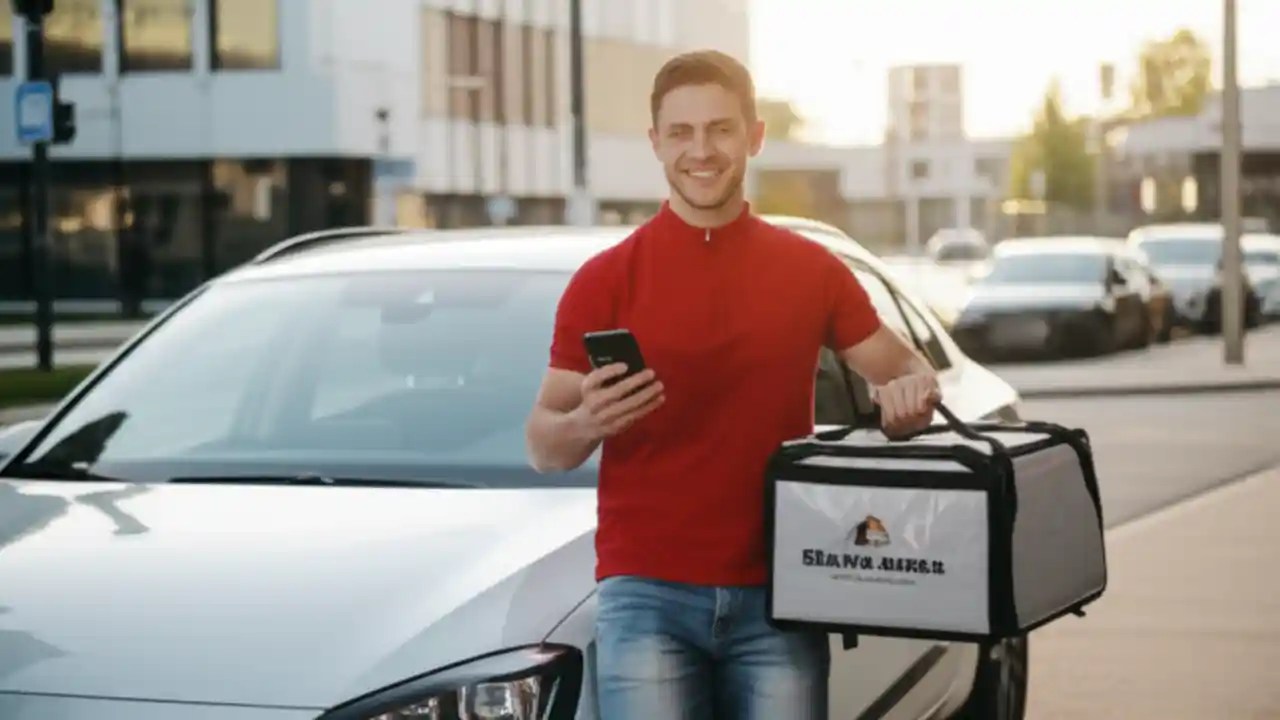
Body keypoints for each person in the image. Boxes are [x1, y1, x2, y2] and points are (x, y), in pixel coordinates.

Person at [524, 49, 940, 720]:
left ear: (754, 136)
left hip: (783, 588)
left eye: (720, 128)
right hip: (646, 594)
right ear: (656, 142)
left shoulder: (812, 271)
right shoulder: (604, 281)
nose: (702, 150)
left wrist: (909, 401)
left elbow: (911, 377)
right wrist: (586, 424)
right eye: (681, 133)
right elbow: (544, 445)